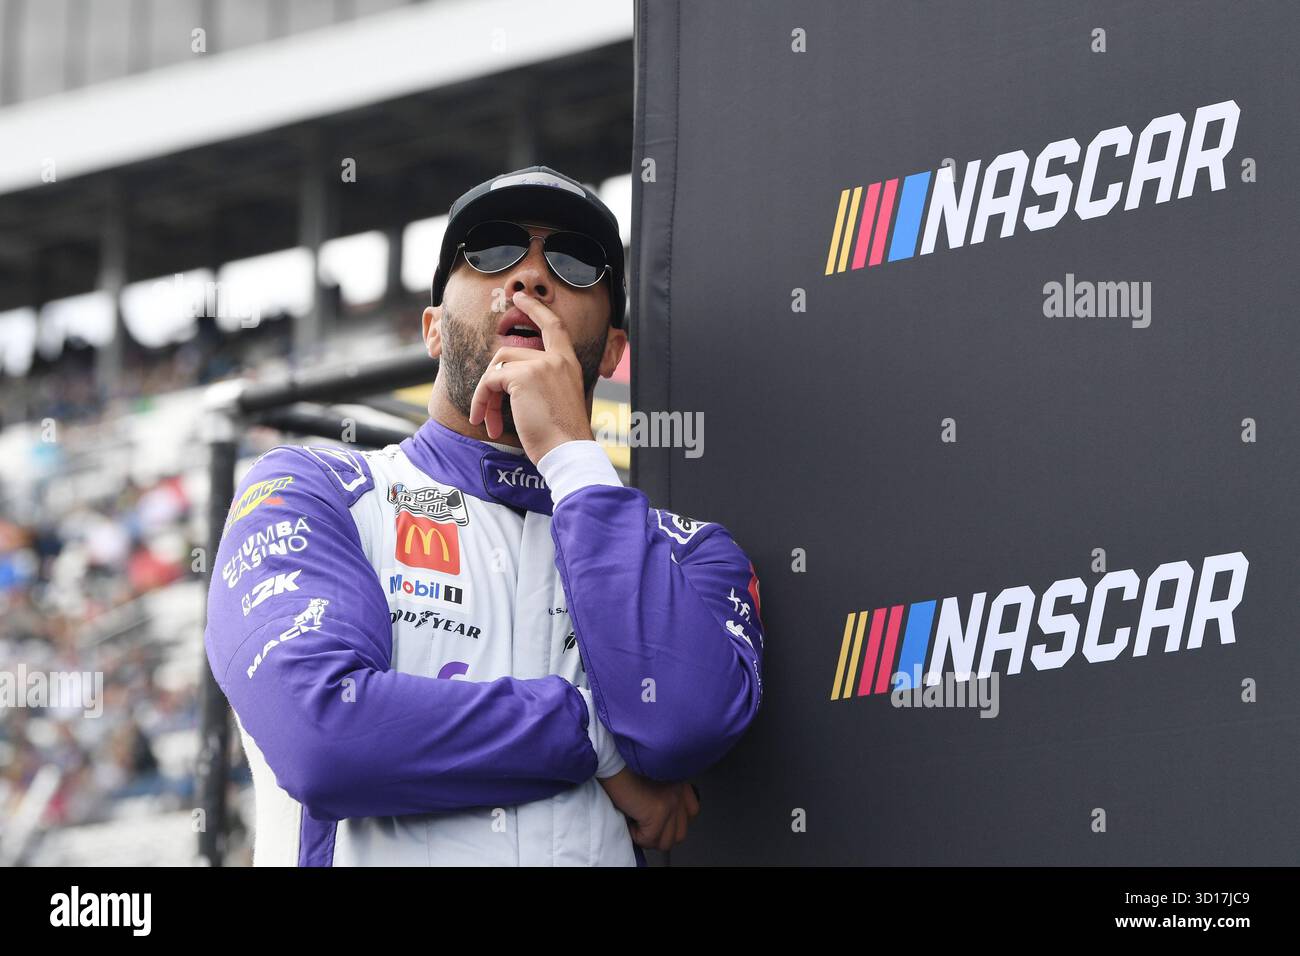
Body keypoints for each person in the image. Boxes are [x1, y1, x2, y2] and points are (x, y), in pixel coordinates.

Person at [203, 165, 765, 866]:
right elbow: (327, 741)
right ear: (433, 330)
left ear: (615, 351)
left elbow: (682, 725)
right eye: (491, 252)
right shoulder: (313, 490)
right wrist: (594, 741)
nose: (529, 277)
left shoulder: (690, 553)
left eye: (574, 261)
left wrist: (569, 454)